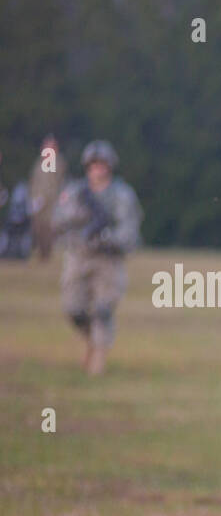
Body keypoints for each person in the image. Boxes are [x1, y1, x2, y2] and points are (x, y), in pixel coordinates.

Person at [51, 140, 143, 375]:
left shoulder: (122, 195)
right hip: (79, 256)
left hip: (108, 259)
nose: (97, 170)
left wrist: (108, 238)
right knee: (74, 308)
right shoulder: (75, 192)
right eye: (93, 165)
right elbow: (58, 220)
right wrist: (78, 217)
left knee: (103, 310)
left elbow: (129, 231)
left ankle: (97, 362)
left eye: (102, 165)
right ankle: (90, 341)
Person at [29, 135, 66, 261]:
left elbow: (58, 183)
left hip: (52, 202)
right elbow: (34, 182)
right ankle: (41, 253)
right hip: (38, 203)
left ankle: (48, 255)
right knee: (38, 227)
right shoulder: (38, 164)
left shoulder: (58, 163)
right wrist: (34, 198)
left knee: (49, 228)